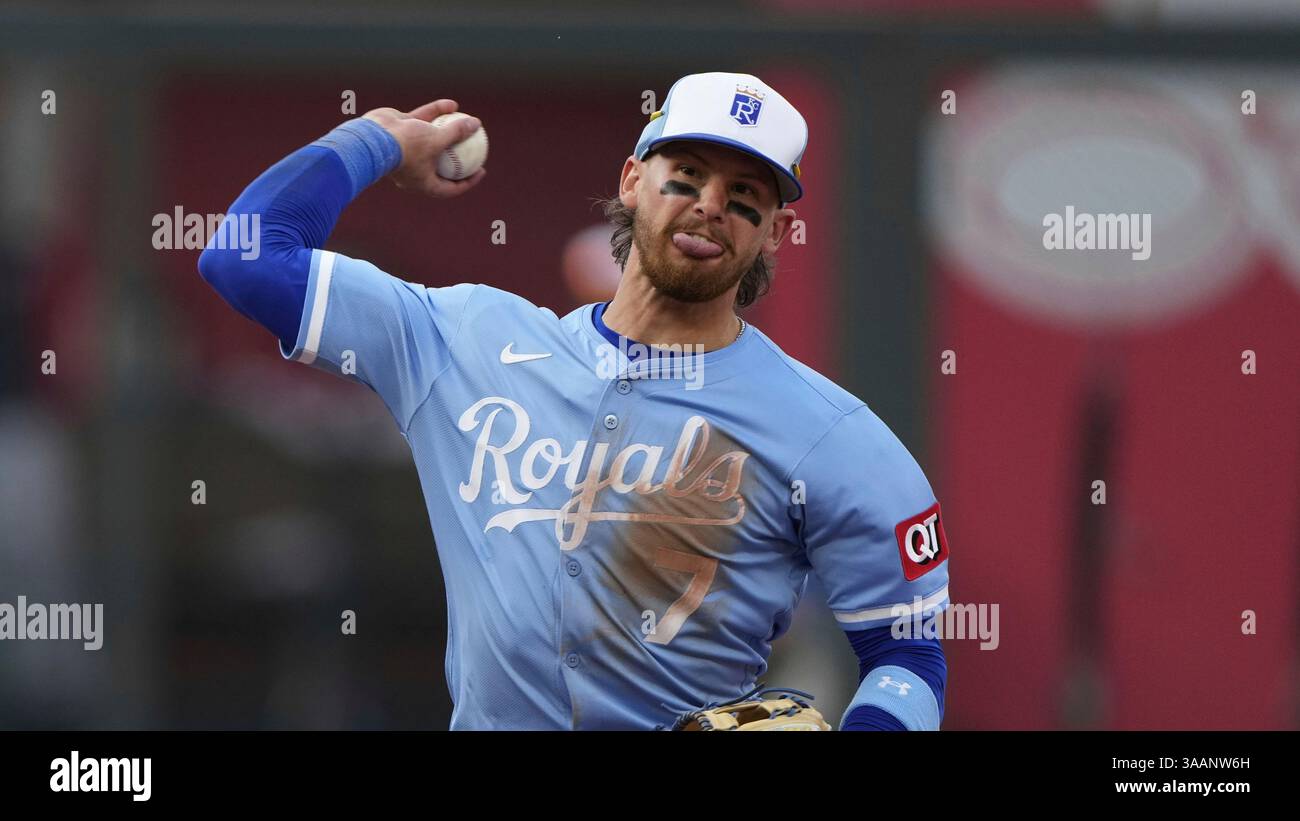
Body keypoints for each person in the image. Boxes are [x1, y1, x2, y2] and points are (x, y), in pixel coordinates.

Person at [199, 71, 950, 730]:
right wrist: (375, 139)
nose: (709, 205)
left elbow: (908, 655)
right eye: (685, 175)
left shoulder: (833, 435)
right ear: (632, 180)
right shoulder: (465, 340)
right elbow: (245, 256)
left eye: (744, 197)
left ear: (777, 231)